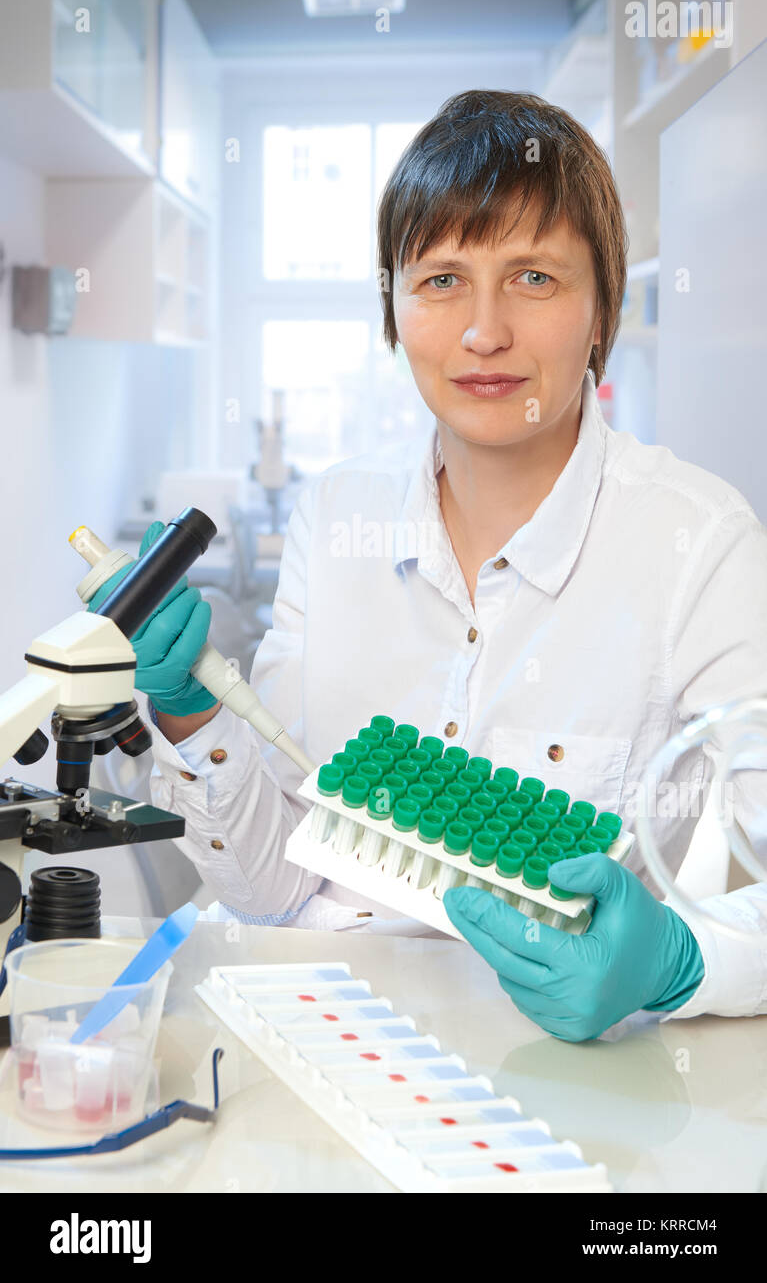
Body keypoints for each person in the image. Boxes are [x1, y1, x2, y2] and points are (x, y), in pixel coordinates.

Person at [90, 90, 767, 1041]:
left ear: (602, 308)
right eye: (441, 280)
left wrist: (679, 962)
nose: (483, 332)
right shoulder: (334, 517)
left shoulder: (697, 543)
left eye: (532, 277)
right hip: (323, 1030)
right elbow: (277, 886)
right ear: (393, 310)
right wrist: (192, 711)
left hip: (568, 1068)